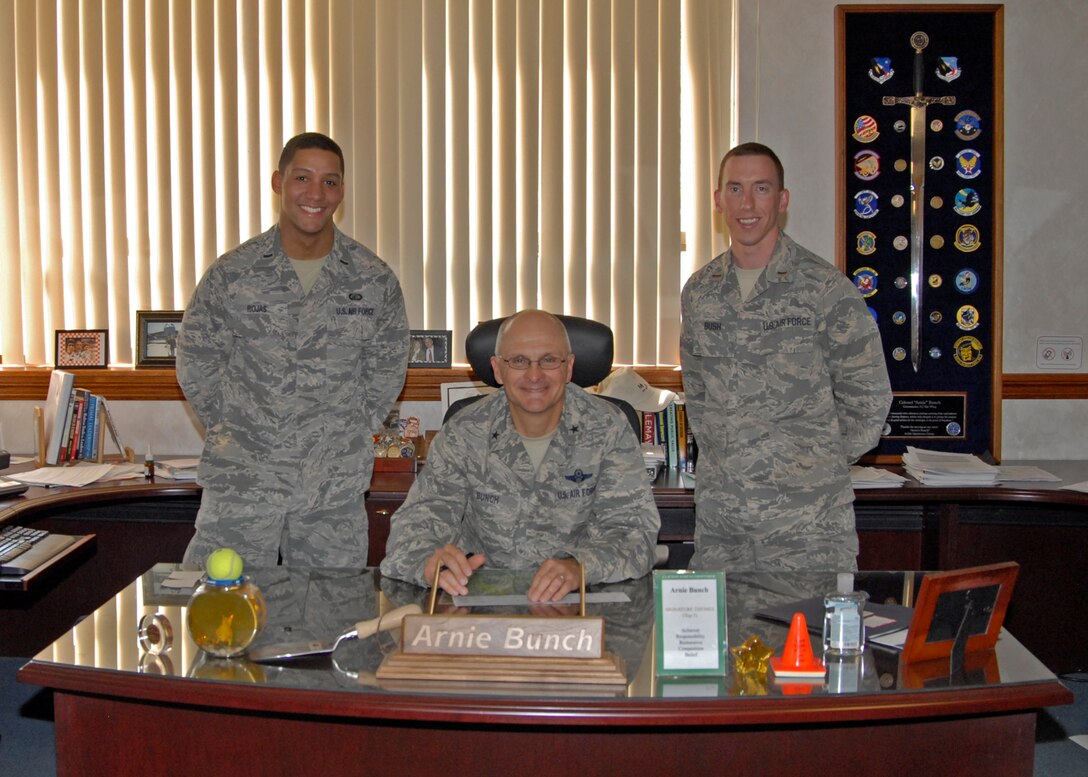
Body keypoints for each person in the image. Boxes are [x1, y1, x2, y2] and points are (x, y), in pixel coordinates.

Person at [177, 132, 409, 568]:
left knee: (331, 622)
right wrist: (240, 428)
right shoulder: (232, 274)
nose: (316, 194)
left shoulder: (372, 279)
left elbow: (386, 373)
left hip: (331, 492)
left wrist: (343, 434)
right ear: (278, 182)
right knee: (222, 617)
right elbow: (197, 363)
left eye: (330, 182)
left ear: (341, 190)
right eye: (303, 178)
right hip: (243, 484)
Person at [679, 142, 892, 572]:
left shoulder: (825, 288)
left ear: (782, 199)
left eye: (761, 188)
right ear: (718, 200)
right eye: (735, 189)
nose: (748, 204)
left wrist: (807, 465)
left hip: (806, 526)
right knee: (723, 637)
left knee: (805, 640)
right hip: (723, 525)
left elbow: (869, 400)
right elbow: (698, 392)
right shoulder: (700, 292)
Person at [380, 310, 660, 601]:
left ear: (569, 367)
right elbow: (412, 532)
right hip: (484, 603)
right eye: (519, 361)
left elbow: (635, 533)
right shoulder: (464, 432)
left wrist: (580, 567)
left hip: (586, 602)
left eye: (549, 360)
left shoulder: (608, 427)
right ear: (498, 369)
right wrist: (428, 562)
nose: (534, 375)